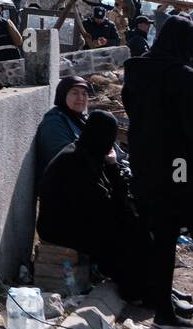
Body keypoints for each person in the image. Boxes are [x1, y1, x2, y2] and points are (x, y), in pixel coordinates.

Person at [122, 15, 193, 329]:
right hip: (181, 168)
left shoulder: (134, 69)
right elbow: (191, 129)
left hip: (148, 170)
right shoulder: (182, 75)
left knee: (164, 241)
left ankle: (164, 317)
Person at [37, 111, 153, 304]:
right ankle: (136, 290)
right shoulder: (75, 160)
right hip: (58, 228)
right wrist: (113, 168)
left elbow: (110, 201)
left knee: (136, 225)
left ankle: (152, 286)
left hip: (79, 218)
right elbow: (106, 204)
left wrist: (112, 168)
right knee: (123, 234)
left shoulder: (88, 153)